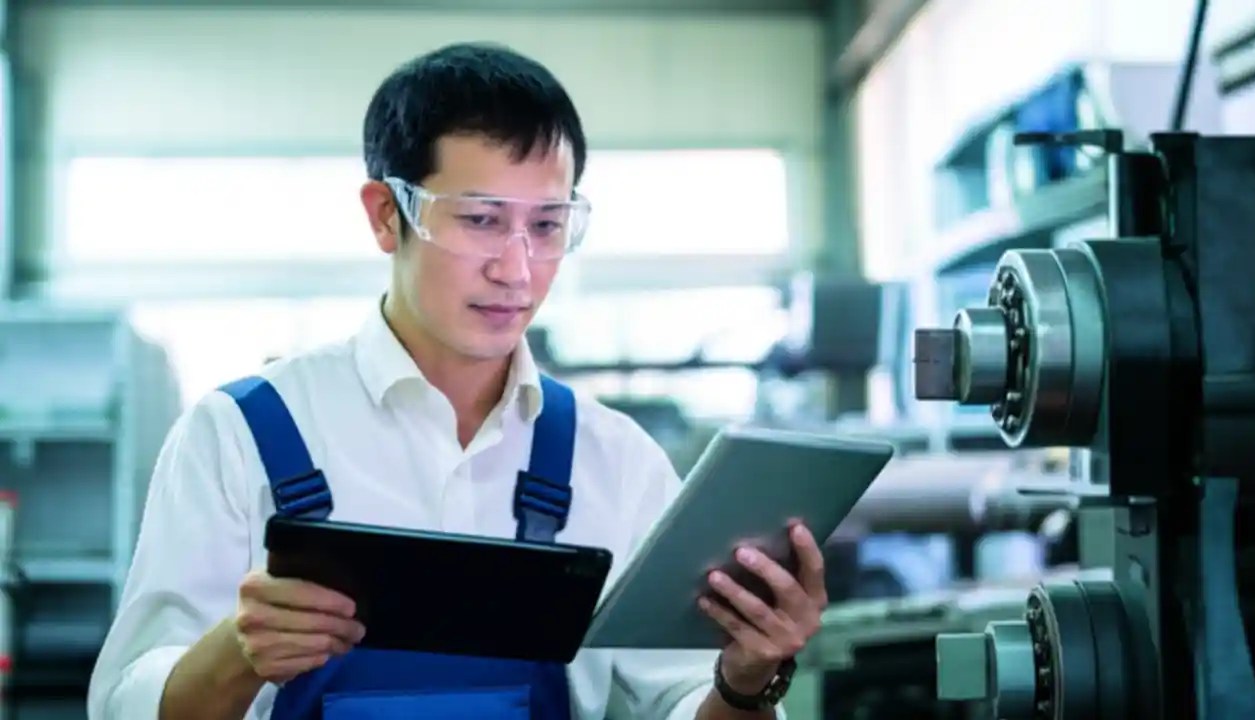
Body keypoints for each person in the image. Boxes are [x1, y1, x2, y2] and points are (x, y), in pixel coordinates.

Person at [86, 42, 828, 720]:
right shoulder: (238, 436)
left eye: (547, 225)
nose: (517, 268)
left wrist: (746, 676)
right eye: (478, 219)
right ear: (386, 215)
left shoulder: (617, 461)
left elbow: (682, 703)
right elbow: (126, 706)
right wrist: (236, 653)